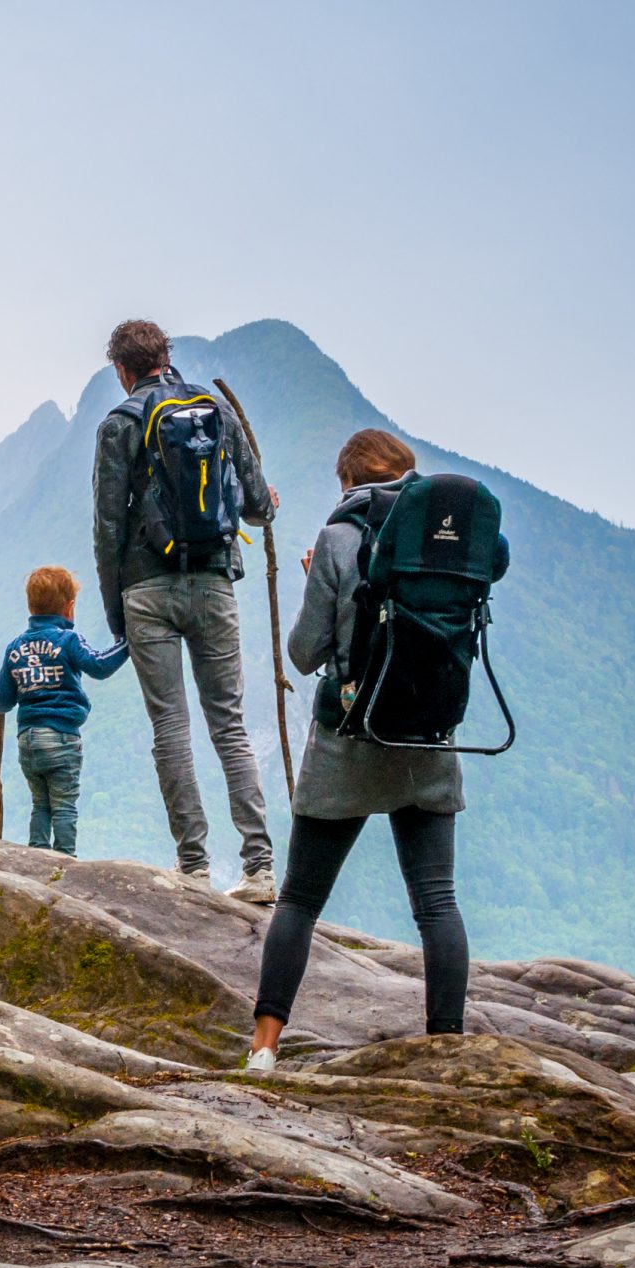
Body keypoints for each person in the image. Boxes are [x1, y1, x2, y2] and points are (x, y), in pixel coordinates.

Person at [243, 428, 484, 1071]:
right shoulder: (448, 544)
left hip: (350, 738)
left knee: (298, 900)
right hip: (428, 738)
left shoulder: (338, 538)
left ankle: (264, 1050)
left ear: (348, 481)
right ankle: (448, 1045)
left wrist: (313, 580)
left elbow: (304, 652)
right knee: (437, 902)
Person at [90, 318, 279, 902]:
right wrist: (266, 505)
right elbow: (254, 505)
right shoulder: (215, 411)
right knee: (229, 721)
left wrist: (115, 609)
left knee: (170, 726)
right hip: (214, 580)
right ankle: (260, 866)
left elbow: (107, 525)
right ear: (167, 355)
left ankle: (193, 868)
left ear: (121, 370)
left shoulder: (120, 423)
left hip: (146, 590)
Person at [0, 565, 131, 854]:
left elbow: (2, 701)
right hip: (62, 736)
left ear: (31, 606)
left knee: (40, 804)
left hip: (28, 741)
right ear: (70, 608)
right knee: (64, 807)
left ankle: (37, 858)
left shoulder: (15, 647)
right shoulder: (68, 640)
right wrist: (128, 643)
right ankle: (65, 861)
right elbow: (100, 665)